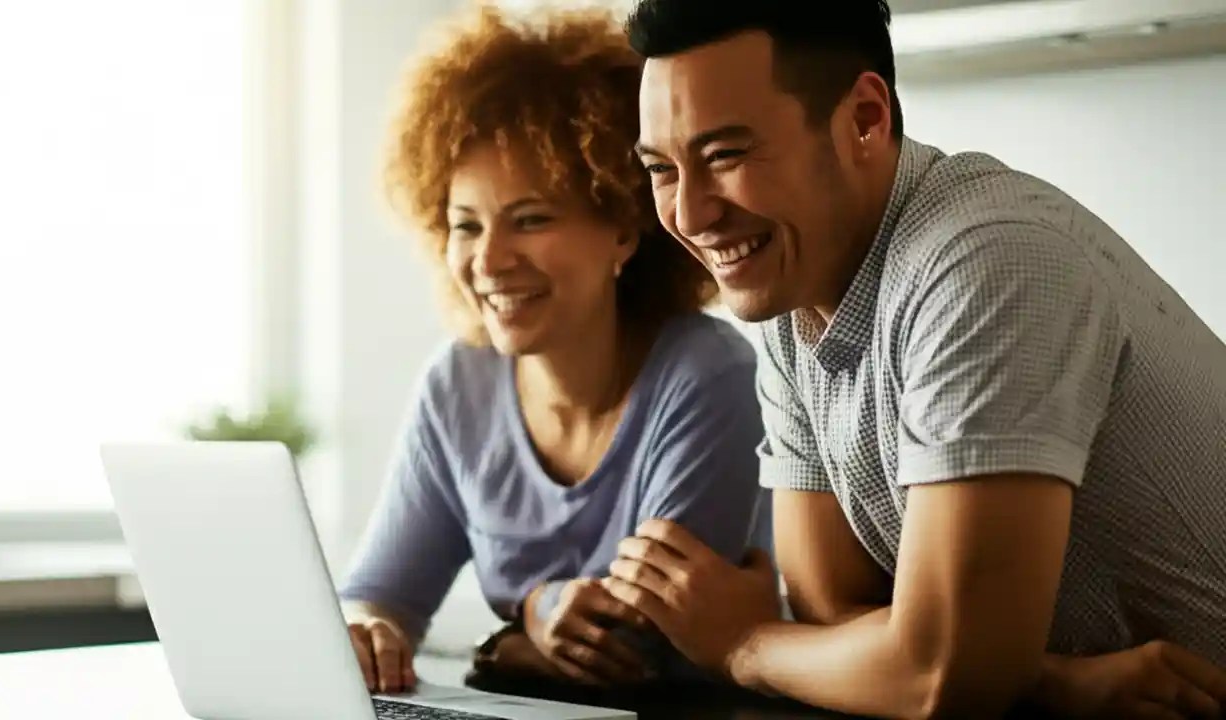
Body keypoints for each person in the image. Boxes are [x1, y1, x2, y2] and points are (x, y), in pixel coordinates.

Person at [602, 1, 1226, 718]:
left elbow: (937, 675)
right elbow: (835, 613)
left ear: (865, 118)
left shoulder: (987, 260)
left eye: (725, 156)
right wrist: (1048, 680)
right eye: (662, 169)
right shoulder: (792, 287)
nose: (689, 215)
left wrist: (743, 641)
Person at [338, 4, 772, 698]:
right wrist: (368, 631)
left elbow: (638, 646)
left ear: (624, 230)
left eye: (531, 220)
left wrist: (514, 632)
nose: (490, 259)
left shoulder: (707, 375)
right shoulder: (460, 383)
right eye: (465, 225)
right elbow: (376, 595)